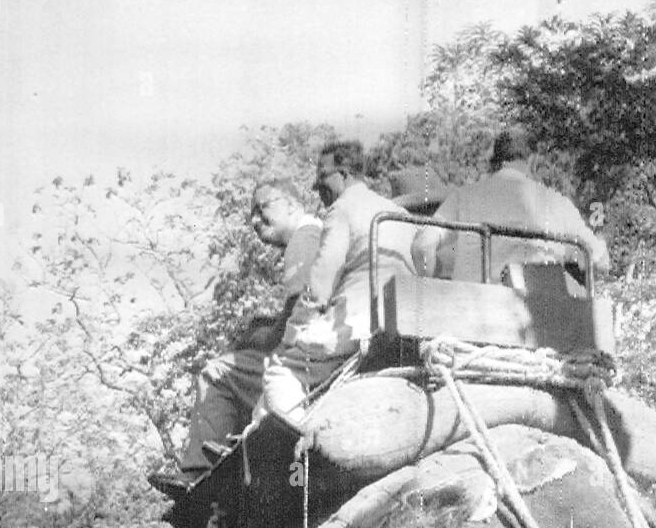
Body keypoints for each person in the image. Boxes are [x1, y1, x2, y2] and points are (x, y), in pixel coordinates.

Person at [260, 139, 415, 422]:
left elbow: (320, 285)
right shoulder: (400, 213)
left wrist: (290, 336)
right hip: (405, 320)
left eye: (322, 179)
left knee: (280, 370)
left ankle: (297, 445)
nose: (318, 190)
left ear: (343, 174)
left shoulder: (342, 210)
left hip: (358, 323)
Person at [178, 178, 322, 472]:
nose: (255, 220)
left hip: (308, 356)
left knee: (216, 372)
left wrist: (265, 337)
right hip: (320, 343)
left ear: (293, 205)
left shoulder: (304, 239)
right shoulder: (319, 235)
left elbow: (303, 308)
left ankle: (197, 470)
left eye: (263, 208)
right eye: (251, 215)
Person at [411, 126, 609, 286]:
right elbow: (600, 264)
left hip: (474, 317)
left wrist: (430, 287)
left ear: (497, 161)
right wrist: (600, 241)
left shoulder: (464, 196)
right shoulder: (558, 204)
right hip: (539, 324)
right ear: (532, 161)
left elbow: (422, 247)